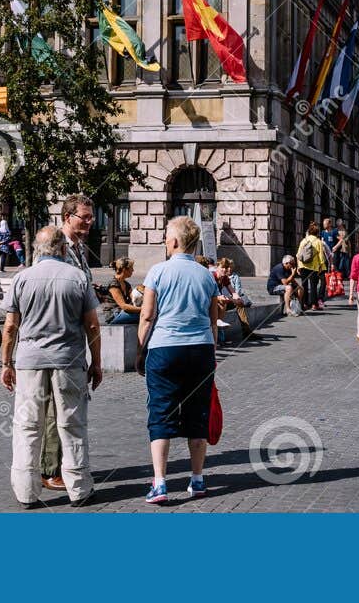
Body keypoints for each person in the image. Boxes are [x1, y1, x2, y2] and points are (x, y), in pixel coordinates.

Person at [2, 225, 102, 507]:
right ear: (62, 249)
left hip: (30, 362)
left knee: (27, 425)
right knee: (72, 423)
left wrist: (6, 363)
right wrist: (96, 363)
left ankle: (26, 491)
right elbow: (92, 324)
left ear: (36, 249)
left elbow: (10, 327)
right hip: (69, 360)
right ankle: (79, 488)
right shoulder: (77, 277)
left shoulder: (22, 279)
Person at [139, 215, 223, 504]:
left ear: (174, 241)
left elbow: (147, 316)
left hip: (164, 349)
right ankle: (197, 480)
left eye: (166, 235)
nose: (165, 239)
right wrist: (210, 351)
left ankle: (160, 484)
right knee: (198, 413)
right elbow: (214, 321)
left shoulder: (158, 272)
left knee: (160, 412)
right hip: (200, 350)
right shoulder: (206, 275)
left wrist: (141, 348)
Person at [41, 193, 96, 492]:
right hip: (57, 340)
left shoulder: (78, 247)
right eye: (83, 217)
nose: (89, 222)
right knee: (55, 409)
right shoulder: (57, 246)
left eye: (90, 217)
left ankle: (64, 464)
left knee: (68, 408)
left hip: (73, 341)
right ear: (67, 217)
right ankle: (50, 469)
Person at [295, 221, 328, 311]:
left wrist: (298, 266)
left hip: (303, 266)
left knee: (304, 285)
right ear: (317, 233)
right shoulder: (318, 242)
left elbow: (298, 254)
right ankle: (314, 304)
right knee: (313, 286)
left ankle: (304, 304)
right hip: (313, 267)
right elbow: (321, 256)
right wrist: (322, 266)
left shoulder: (304, 240)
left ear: (308, 231)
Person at [103, 257, 142, 325]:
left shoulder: (127, 285)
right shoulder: (113, 284)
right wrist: (143, 309)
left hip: (123, 312)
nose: (133, 270)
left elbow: (133, 300)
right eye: (131, 268)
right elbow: (124, 306)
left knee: (147, 315)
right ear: (124, 269)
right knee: (143, 315)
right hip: (113, 315)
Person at [333, 222, 353, 302]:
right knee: (341, 265)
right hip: (341, 251)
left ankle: (346, 276)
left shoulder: (345, 232)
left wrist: (350, 251)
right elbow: (341, 240)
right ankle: (341, 277)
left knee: (346, 265)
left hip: (345, 251)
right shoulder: (339, 232)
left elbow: (348, 243)